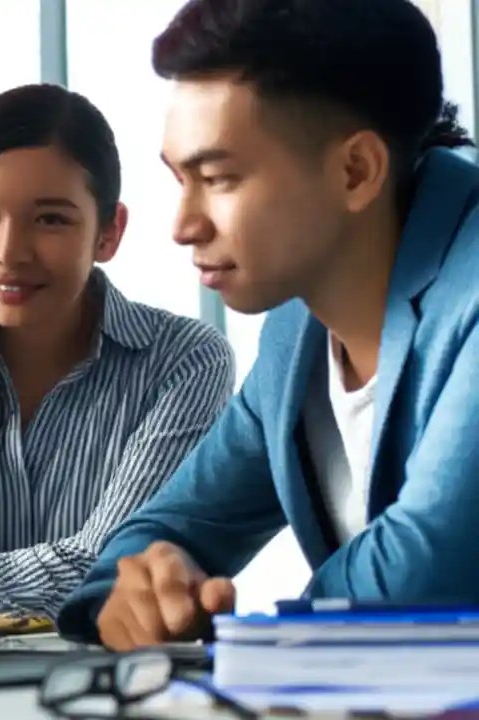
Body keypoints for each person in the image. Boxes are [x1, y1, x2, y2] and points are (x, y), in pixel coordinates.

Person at [56, 0, 479, 650]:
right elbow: (175, 524)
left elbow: (424, 577)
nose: (182, 225)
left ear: (355, 170)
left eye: (218, 178)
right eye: (179, 179)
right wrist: (134, 595)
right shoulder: (296, 332)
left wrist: (247, 643)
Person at [0, 84, 235, 619]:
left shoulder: (182, 362)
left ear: (109, 232)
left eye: (51, 219)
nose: (8, 252)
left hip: (104, 691)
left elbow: (113, 566)